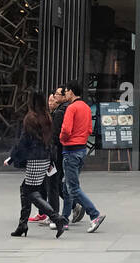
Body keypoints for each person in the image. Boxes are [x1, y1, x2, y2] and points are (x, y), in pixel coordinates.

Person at [6, 91, 66, 238]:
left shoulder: (30, 118)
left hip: (34, 159)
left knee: (30, 192)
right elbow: (50, 140)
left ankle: (56, 218)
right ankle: (22, 225)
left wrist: (12, 157)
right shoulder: (47, 117)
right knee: (25, 189)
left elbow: (23, 141)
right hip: (45, 158)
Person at [58, 81, 106, 232]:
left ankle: (94, 214)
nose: (65, 95)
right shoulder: (85, 107)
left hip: (70, 150)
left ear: (71, 92)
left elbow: (66, 129)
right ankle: (64, 220)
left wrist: (62, 140)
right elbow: (90, 129)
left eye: (65, 92)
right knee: (68, 187)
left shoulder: (71, 108)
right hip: (81, 150)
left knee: (72, 188)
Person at [47, 86, 85, 227]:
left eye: (57, 94)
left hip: (60, 151)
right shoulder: (67, 109)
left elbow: (59, 133)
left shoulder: (63, 111)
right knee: (62, 183)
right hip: (70, 149)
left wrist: (60, 142)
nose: (54, 97)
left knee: (59, 184)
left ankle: (61, 215)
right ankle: (68, 210)